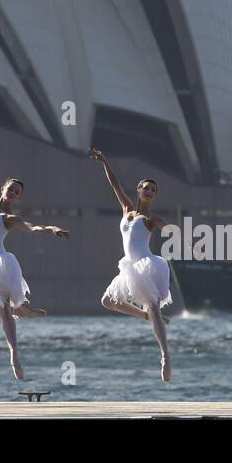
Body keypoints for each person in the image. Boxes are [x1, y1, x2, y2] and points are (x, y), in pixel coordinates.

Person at [0, 137, 69, 379]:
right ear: (3, 189)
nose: (12, 193)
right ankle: (20, 310)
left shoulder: (9, 218)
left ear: (18, 198)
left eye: (17, 193)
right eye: (10, 189)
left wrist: (50, 228)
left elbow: (31, 227)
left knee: (2, 306)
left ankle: (14, 354)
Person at [90, 147, 174, 381]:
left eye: (153, 190)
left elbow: (173, 231)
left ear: (154, 196)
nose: (149, 191)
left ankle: (165, 355)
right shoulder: (127, 210)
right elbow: (115, 184)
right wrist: (105, 160)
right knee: (108, 301)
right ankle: (144, 316)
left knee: (155, 306)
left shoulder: (151, 219)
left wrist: (194, 245)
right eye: (146, 188)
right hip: (128, 266)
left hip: (146, 264)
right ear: (138, 191)